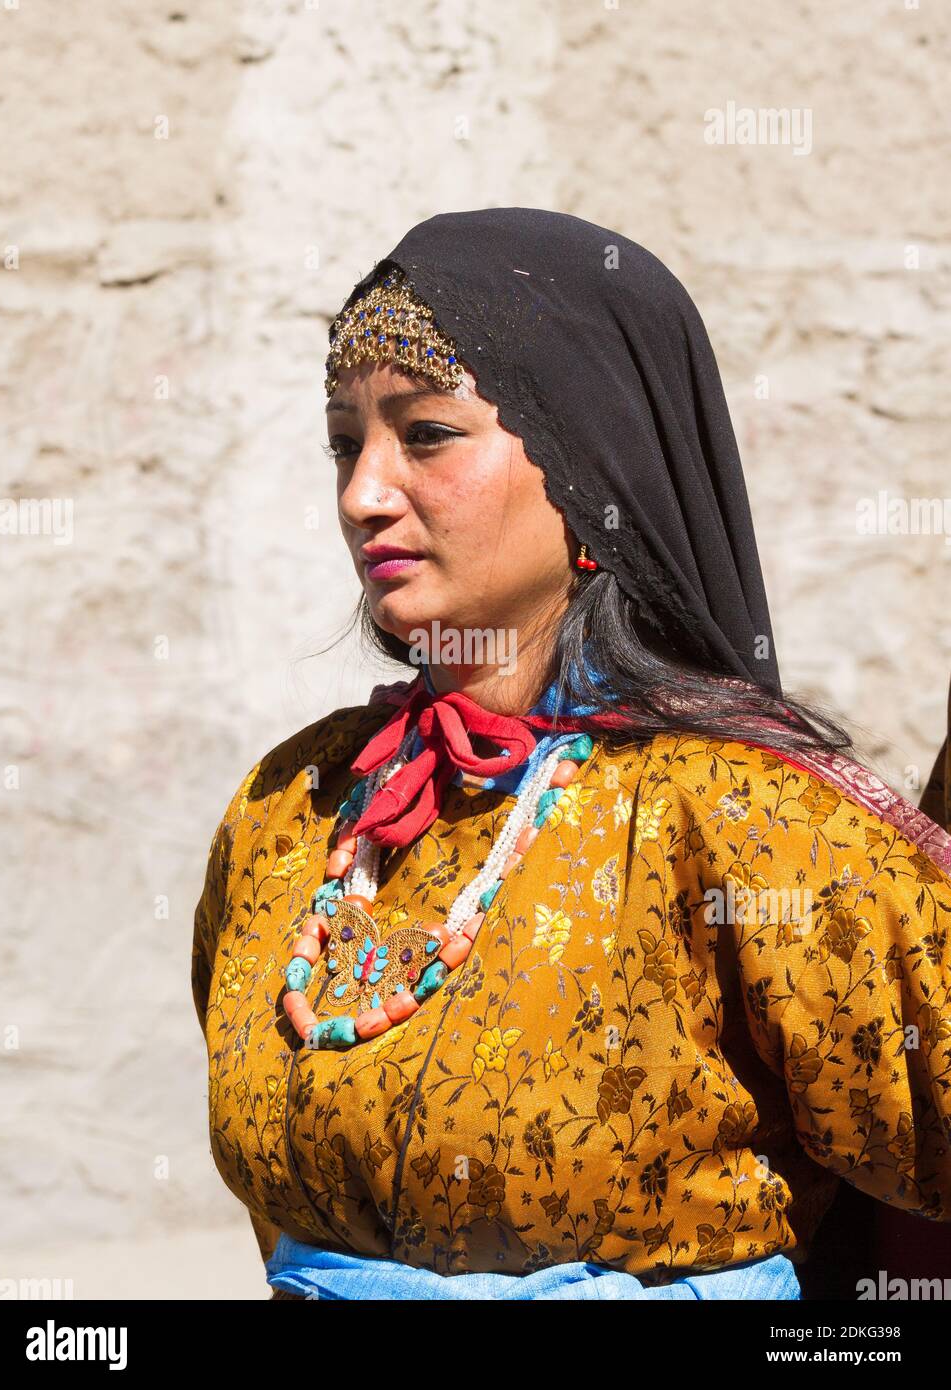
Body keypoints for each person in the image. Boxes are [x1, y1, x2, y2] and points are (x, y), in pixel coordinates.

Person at [191, 208, 951, 1301]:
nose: (363, 494)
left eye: (427, 434)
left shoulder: (742, 817)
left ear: (589, 471)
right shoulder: (295, 806)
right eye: (345, 443)